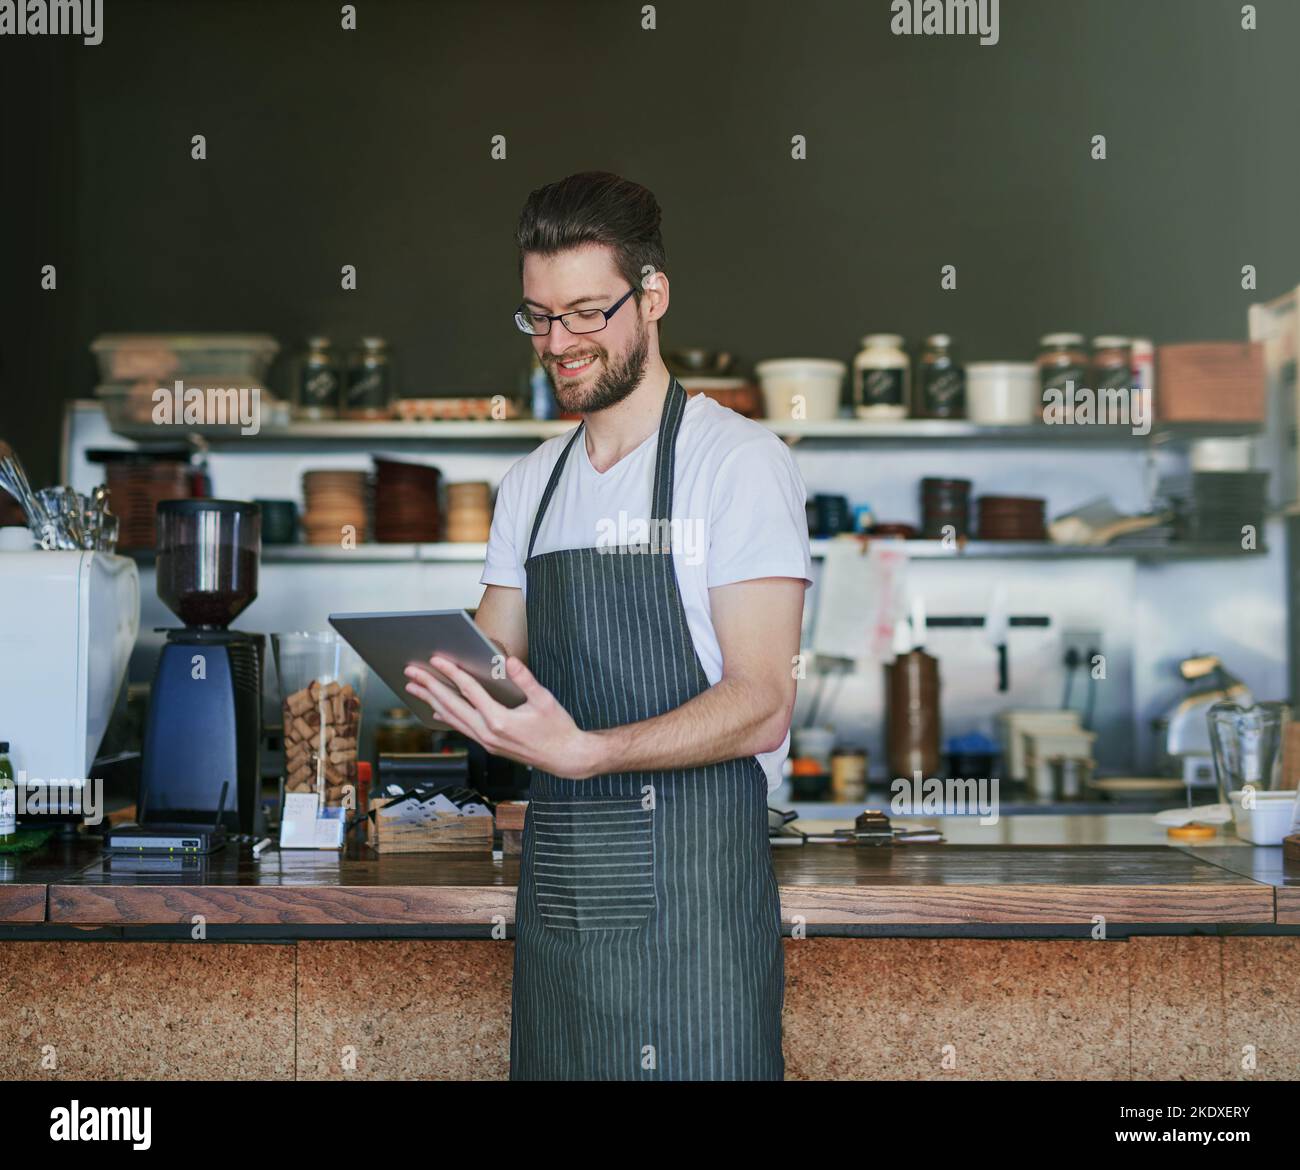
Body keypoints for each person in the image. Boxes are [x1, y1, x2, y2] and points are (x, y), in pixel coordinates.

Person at [404, 171, 812, 1080]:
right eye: (540, 317)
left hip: (693, 925)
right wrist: (447, 683)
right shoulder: (532, 484)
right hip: (562, 915)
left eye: (587, 313)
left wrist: (588, 751)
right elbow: (495, 659)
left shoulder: (736, 464)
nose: (560, 342)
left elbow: (762, 704)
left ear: (653, 295)